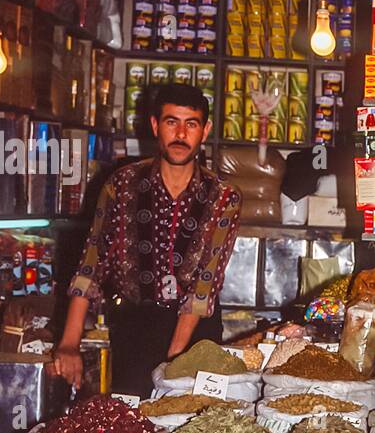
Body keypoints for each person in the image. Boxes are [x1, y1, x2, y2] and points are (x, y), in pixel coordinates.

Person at [51, 84, 241, 396]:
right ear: (155, 126)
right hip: (133, 326)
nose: (180, 134)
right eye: (171, 122)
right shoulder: (122, 184)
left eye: (190, 124)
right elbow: (91, 264)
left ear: (204, 130)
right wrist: (69, 344)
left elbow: (203, 288)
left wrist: (172, 364)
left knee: (191, 426)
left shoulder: (224, 197)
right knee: (132, 419)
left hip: (196, 333)